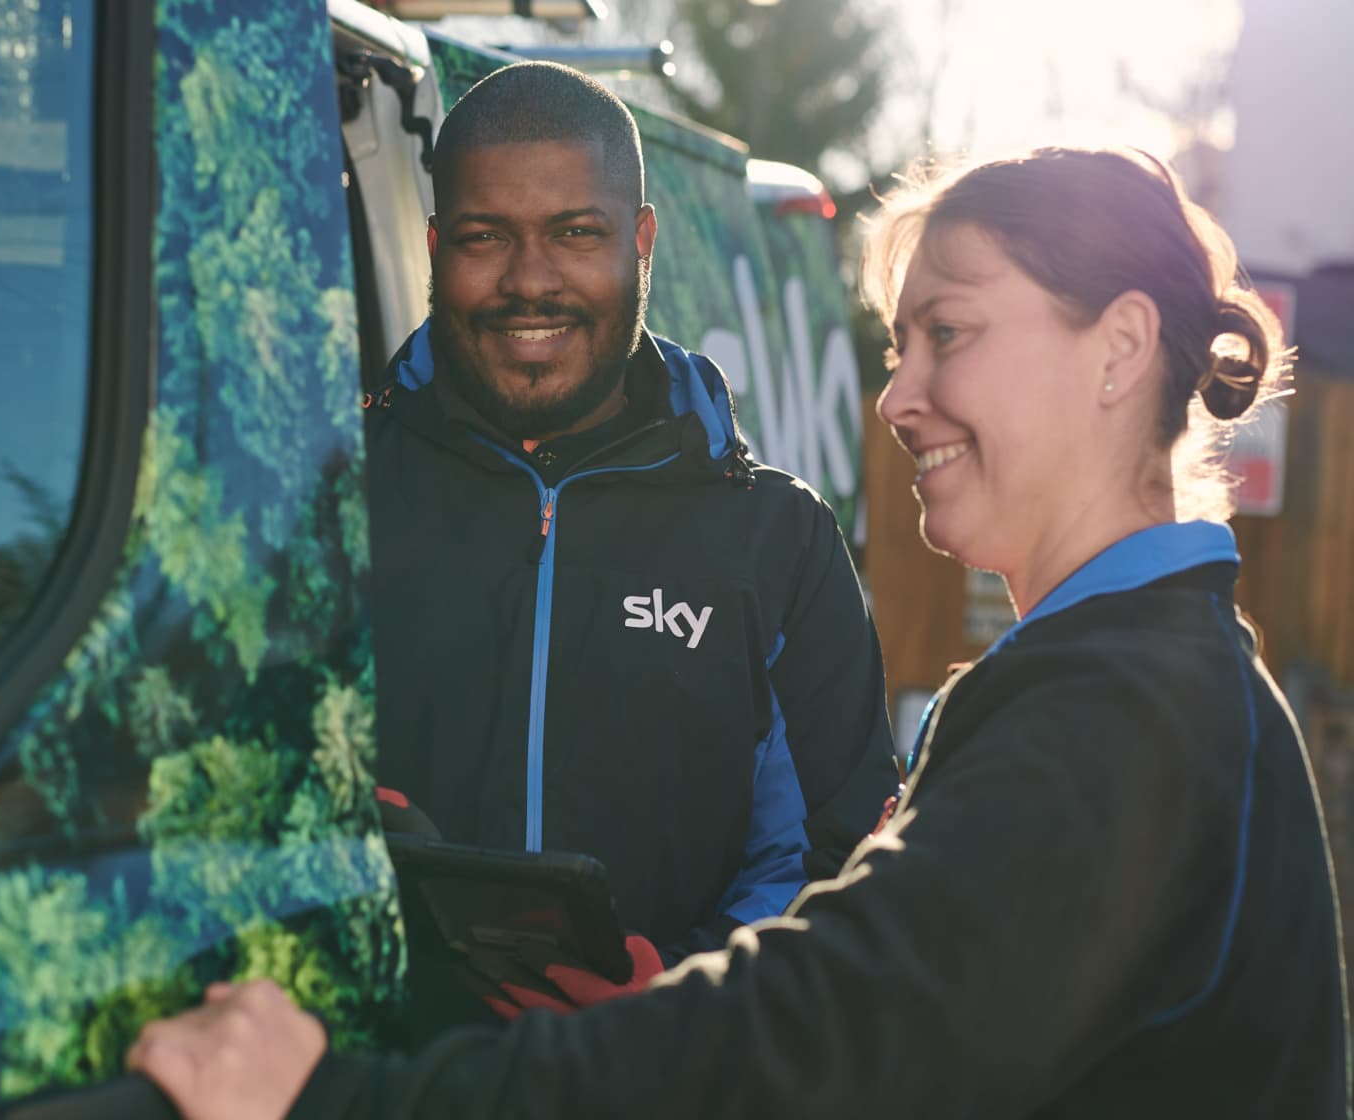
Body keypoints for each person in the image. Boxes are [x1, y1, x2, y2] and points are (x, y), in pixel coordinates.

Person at [126, 146, 1352, 1118]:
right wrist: (667, 1000)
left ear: (1120, 348)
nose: (896, 395)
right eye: (895, 346)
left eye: (949, 334)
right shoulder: (1135, 676)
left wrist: (340, 1101)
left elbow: (826, 1035)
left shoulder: (1126, 709)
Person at [360, 60, 897, 1025]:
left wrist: (669, 1006)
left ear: (641, 242)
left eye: (577, 234)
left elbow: (838, 868)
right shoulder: (332, 497)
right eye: (486, 238)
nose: (531, 282)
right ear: (437, 246)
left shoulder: (778, 539)